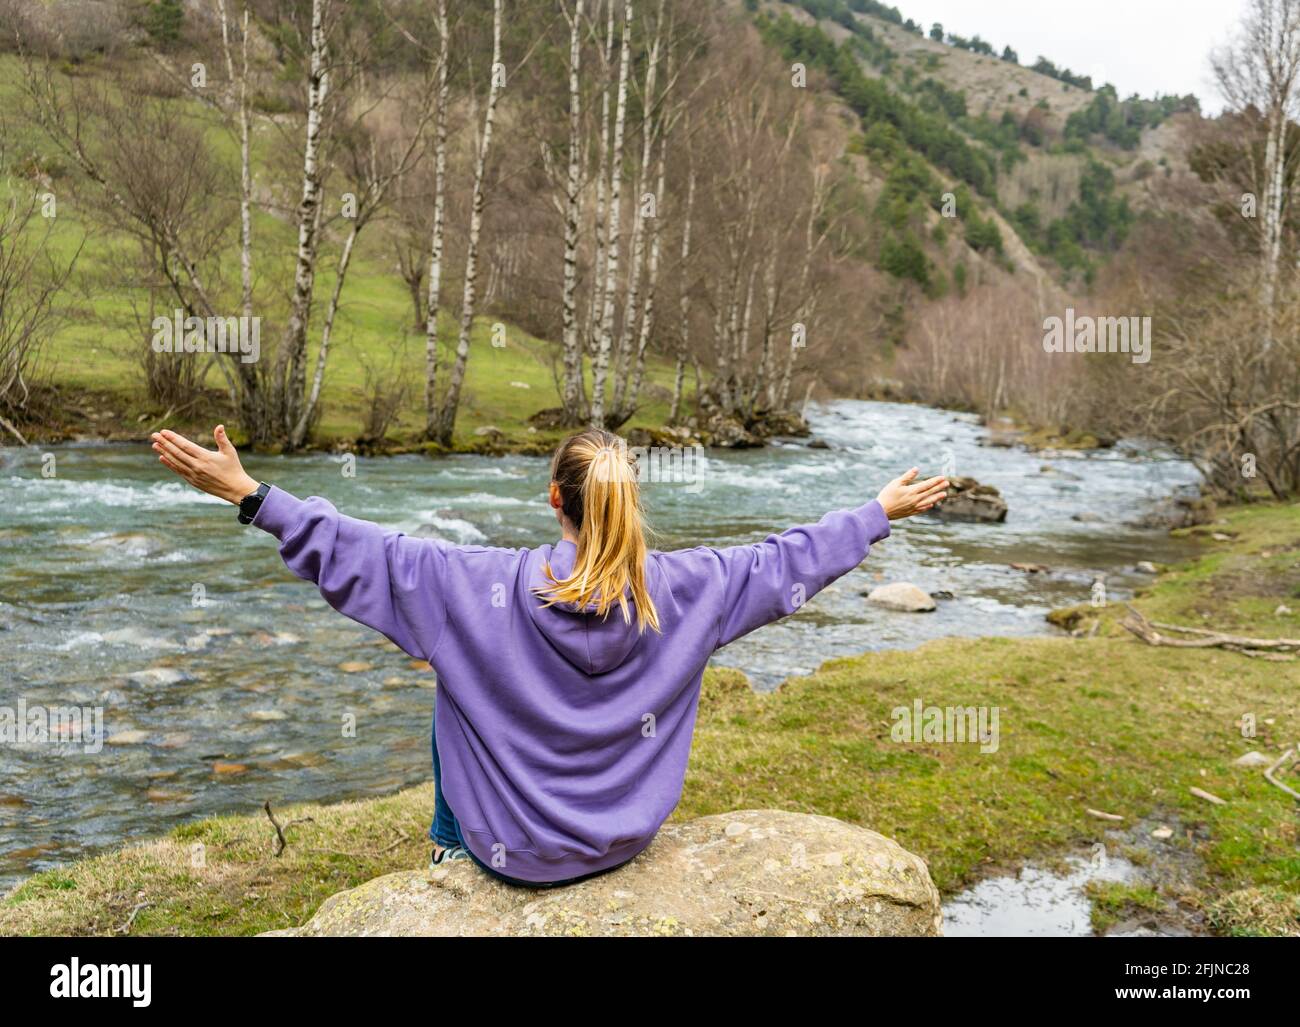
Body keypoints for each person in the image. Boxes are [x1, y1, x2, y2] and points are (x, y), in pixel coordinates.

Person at [151, 424, 947, 886]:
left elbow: (365, 553)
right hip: (619, 842)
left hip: (513, 854)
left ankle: (446, 849)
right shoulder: (687, 588)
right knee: (457, 661)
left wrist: (253, 496)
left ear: (554, 500)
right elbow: (783, 564)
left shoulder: (475, 583)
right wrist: (876, 511)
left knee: (453, 669)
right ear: (626, 505)